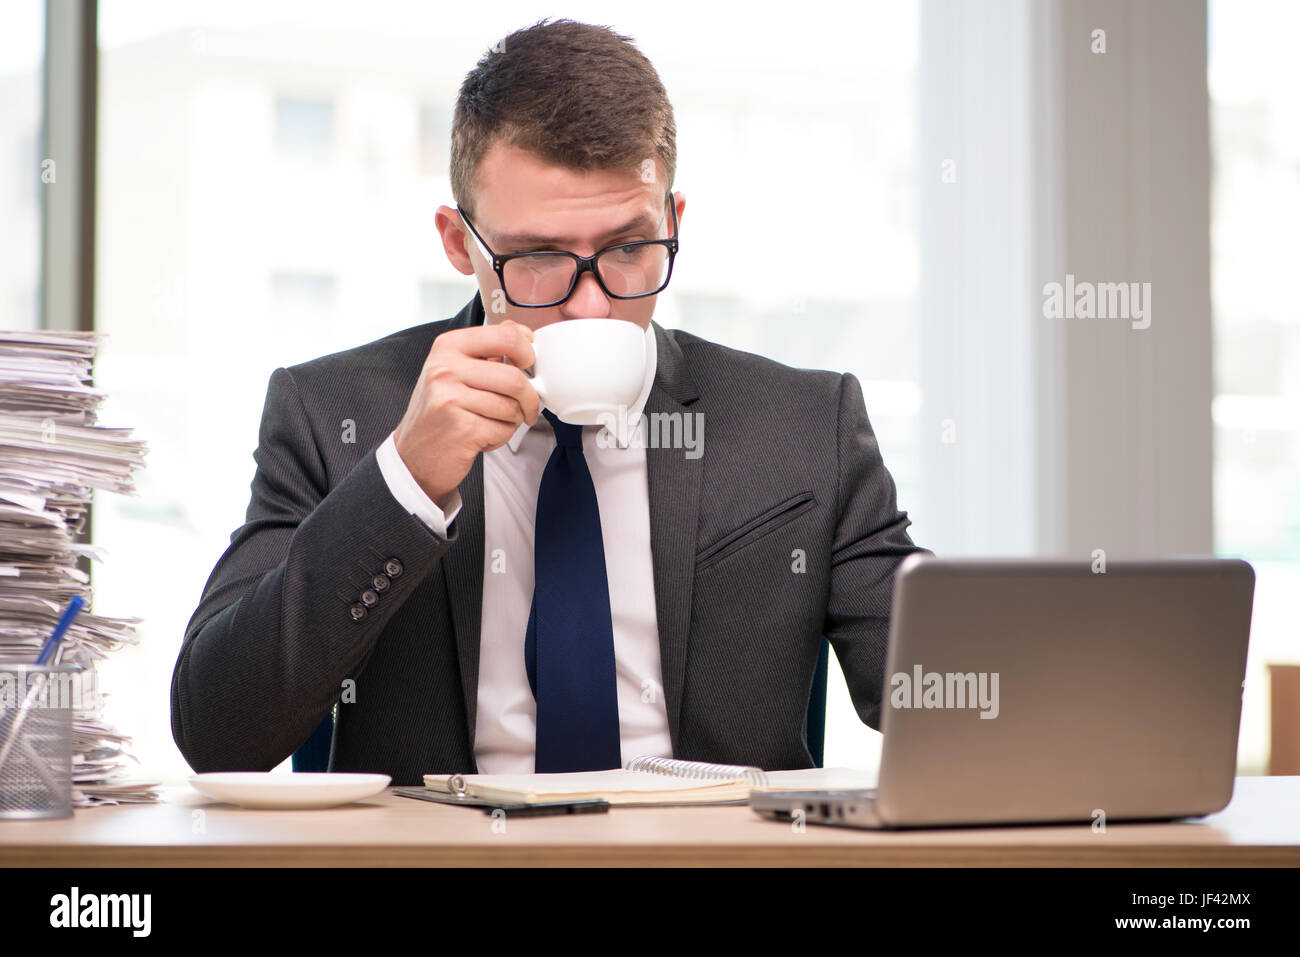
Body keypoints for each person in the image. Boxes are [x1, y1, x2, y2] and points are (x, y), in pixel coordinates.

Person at [170, 18, 927, 785]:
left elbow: (948, 697)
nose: (592, 307)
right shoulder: (333, 414)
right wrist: (404, 480)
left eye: (629, 250)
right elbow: (217, 731)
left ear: (673, 223)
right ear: (460, 244)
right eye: (538, 259)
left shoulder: (803, 427)